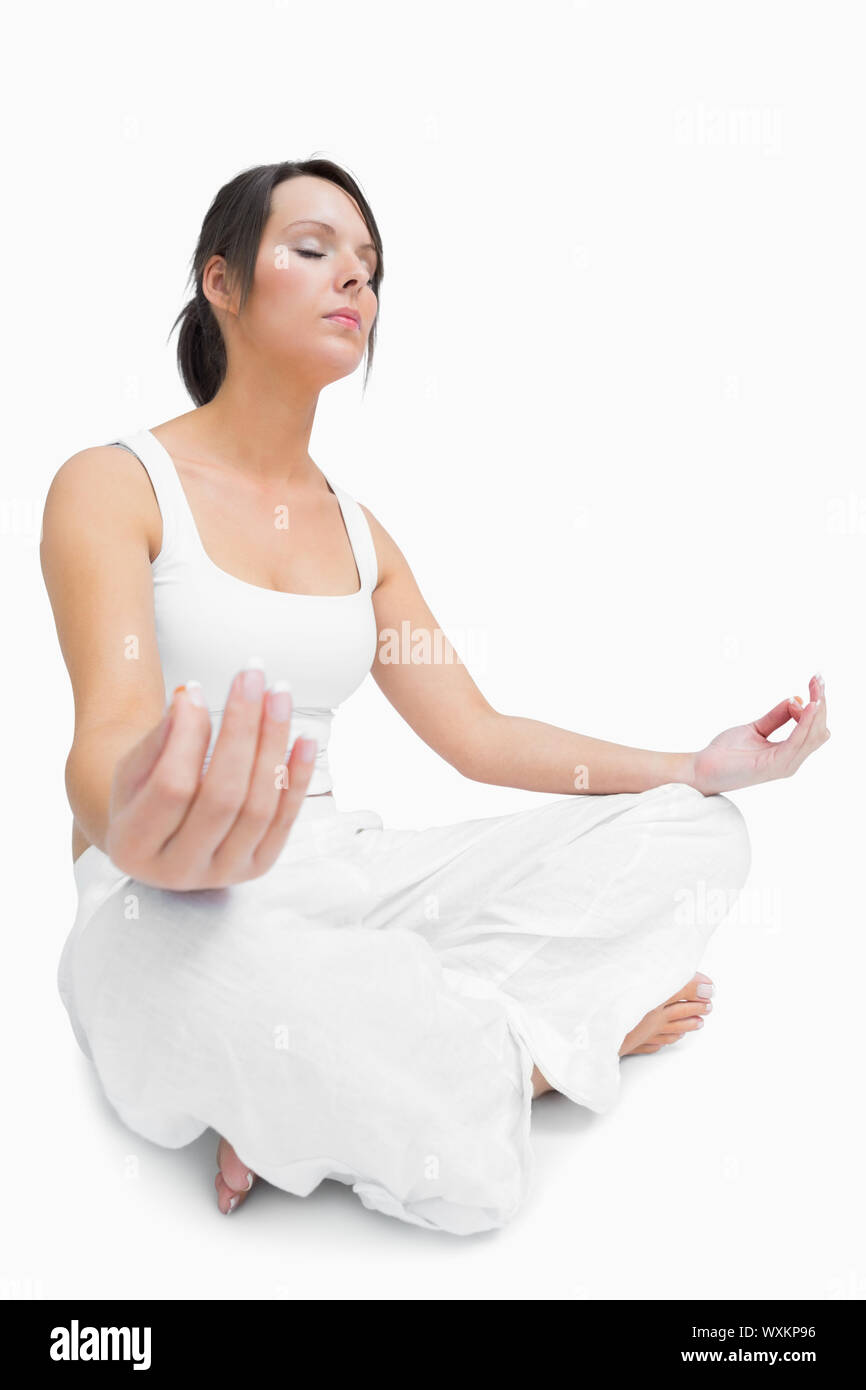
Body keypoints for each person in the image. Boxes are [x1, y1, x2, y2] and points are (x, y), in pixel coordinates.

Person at [39, 158, 830, 1235]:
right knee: (459, 1162)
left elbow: (477, 733)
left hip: (346, 873)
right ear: (220, 282)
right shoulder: (114, 483)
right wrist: (141, 818)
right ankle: (528, 1049)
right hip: (168, 902)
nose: (351, 285)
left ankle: (349, 1071)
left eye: (369, 271)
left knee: (700, 838)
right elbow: (105, 744)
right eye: (313, 251)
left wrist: (692, 765)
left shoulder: (361, 537)